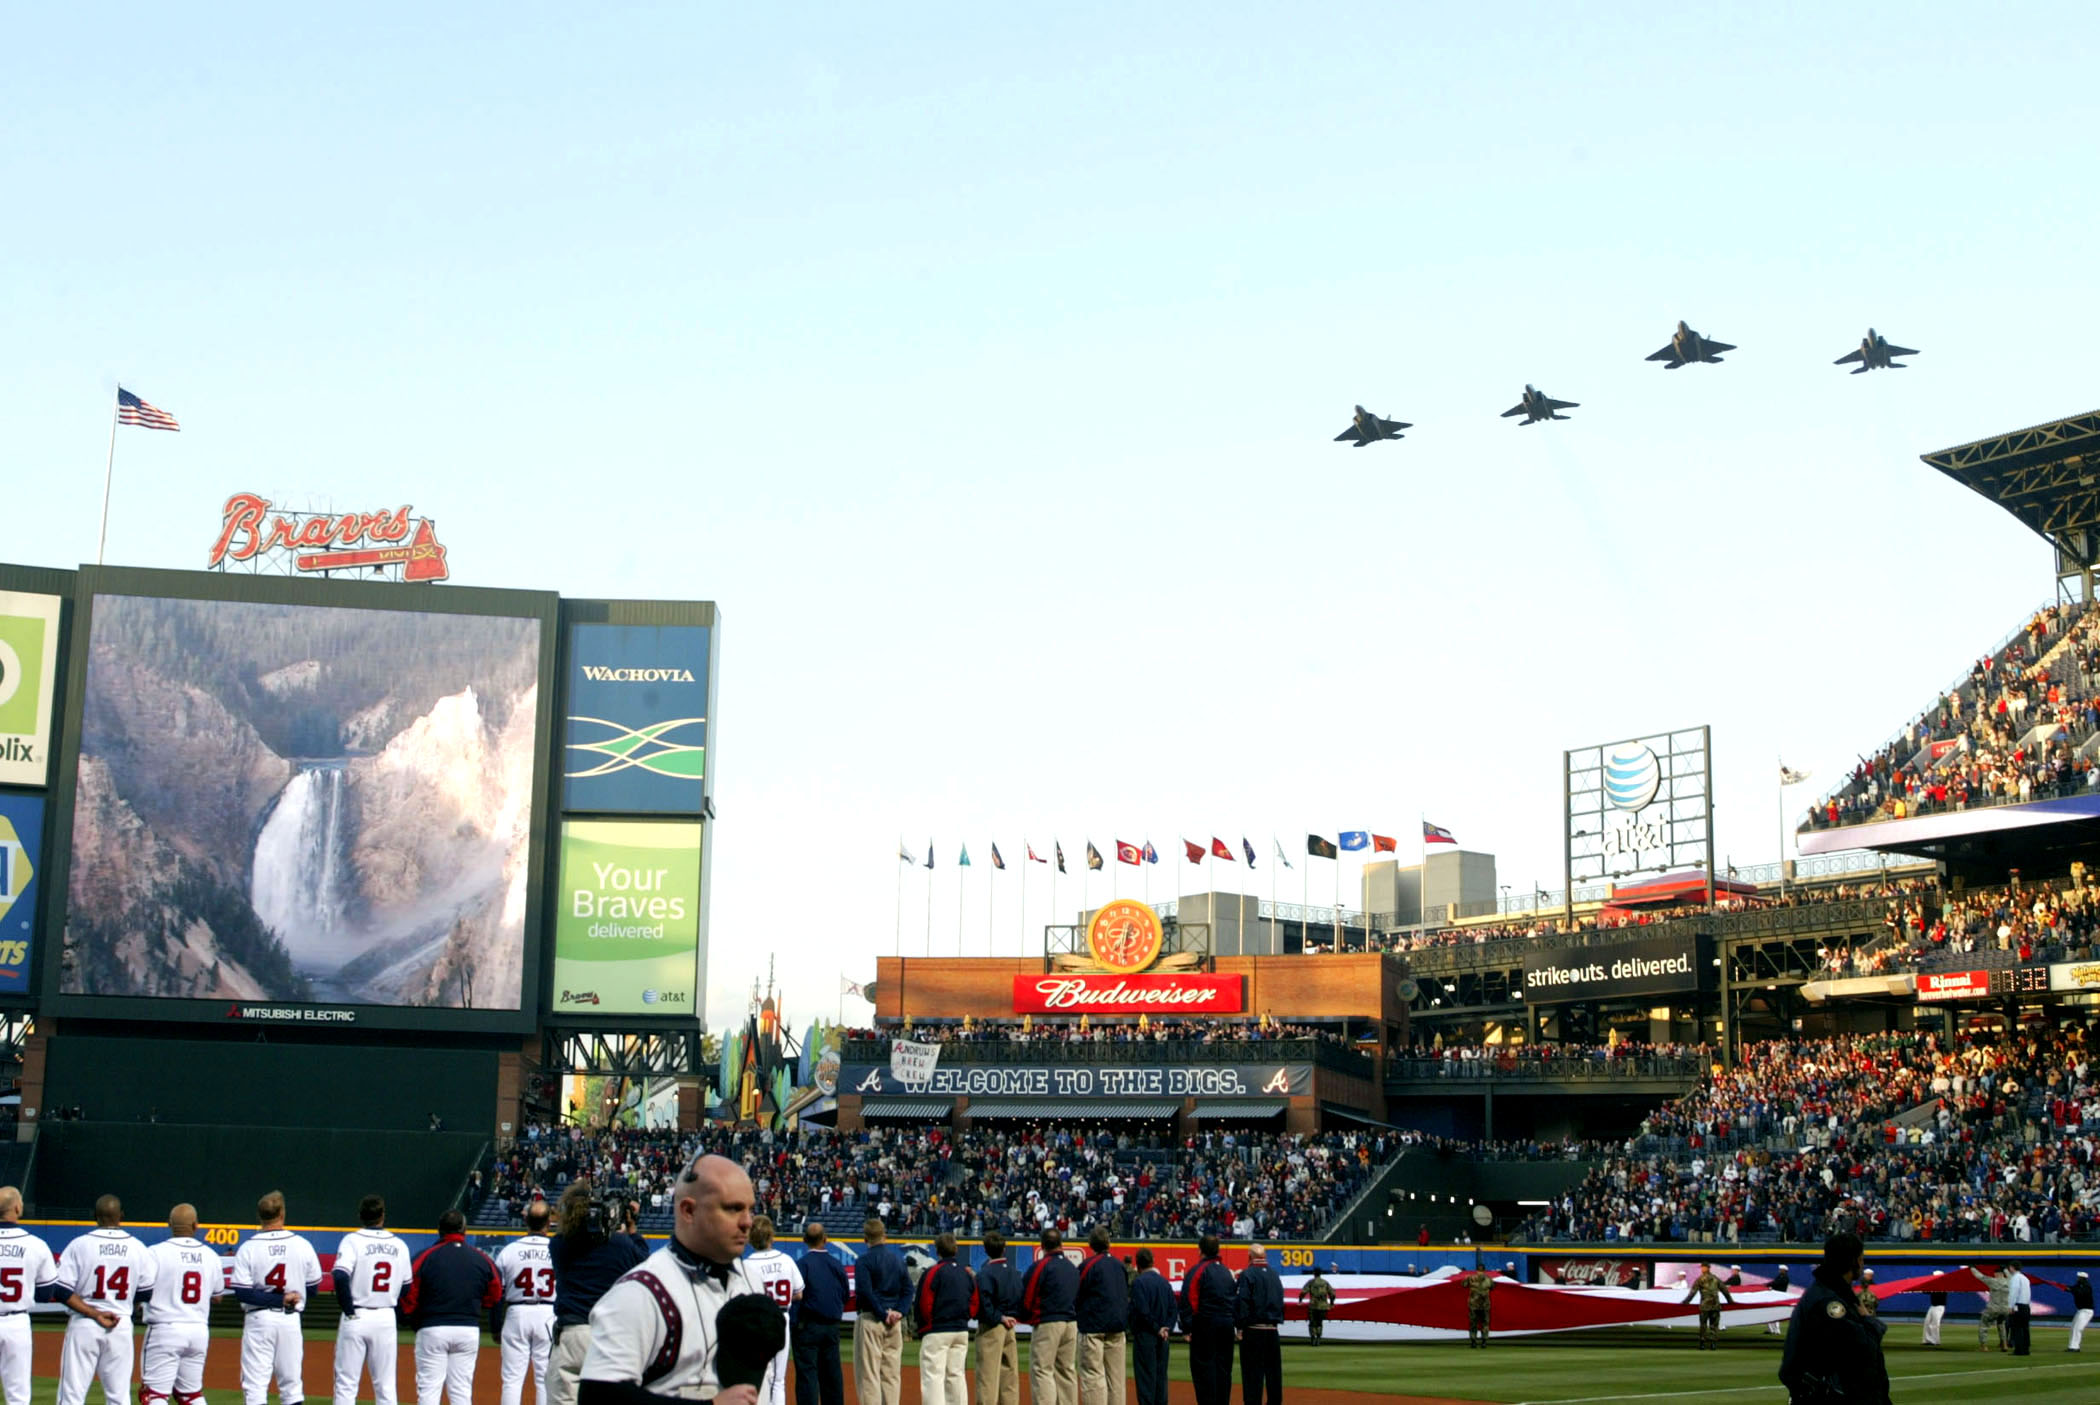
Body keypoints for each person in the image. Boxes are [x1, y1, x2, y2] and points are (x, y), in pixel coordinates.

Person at [577, 1153, 783, 1405]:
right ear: (688, 1210)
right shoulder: (640, 1292)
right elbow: (598, 1396)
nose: (747, 1222)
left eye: (750, 1209)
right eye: (733, 1208)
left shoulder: (752, 1280)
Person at [549, 1182, 649, 1405]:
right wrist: (632, 1228)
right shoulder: (621, 1244)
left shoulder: (559, 1245)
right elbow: (644, 1263)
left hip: (572, 1333)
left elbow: (568, 1234)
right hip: (611, 1337)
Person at [55, 1194, 155, 1405]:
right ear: (121, 1216)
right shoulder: (138, 1248)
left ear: (95, 1216)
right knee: (118, 1396)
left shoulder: (79, 1245)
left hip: (84, 1323)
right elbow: (146, 1293)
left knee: (71, 1395)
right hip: (120, 1325)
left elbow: (62, 1291)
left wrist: (94, 1313)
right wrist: (126, 1305)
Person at [230, 1191, 323, 1405]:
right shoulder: (302, 1245)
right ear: (282, 1213)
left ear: (260, 1215)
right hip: (290, 1319)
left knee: (255, 1387)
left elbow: (242, 1293)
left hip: (258, 1320)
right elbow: (314, 1288)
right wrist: (286, 1299)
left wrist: (274, 1299)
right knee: (291, 1387)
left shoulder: (248, 1248)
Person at [403, 1209, 502, 1405]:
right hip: (467, 1329)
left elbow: (409, 1292)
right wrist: (481, 1305)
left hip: (433, 1327)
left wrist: (410, 1319)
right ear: (464, 1229)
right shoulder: (481, 1258)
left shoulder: (425, 1256)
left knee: (429, 1390)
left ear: (439, 1230)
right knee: (461, 1392)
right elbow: (496, 1293)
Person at [1777, 1233, 1888, 1405]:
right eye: (1861, 1258)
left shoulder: (1831, 1293)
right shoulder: (1829, 1302)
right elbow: (1864, 1347)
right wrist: (1870, 1321)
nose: (1862, 1263)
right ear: (1855, 1261)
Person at [141, 1204, 228, 1405]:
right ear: (196, 1225)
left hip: (165, 1328)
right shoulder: (211, 1256)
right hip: (198, 1330)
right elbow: (217, 1297)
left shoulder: (155, 1253)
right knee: (191, 1395)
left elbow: (142, 1290)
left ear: (169, 1224)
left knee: (154, 1395)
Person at [332, 1194, 413, 1405]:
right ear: (382, 1216)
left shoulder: (352, 1240)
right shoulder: (399, 1245)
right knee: (385, 1386)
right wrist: (391, 1304)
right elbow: (406, 1286)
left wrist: (348, 1309)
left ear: (360, 1216)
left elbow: (340, 1275)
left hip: (357, 1314)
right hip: (385, 1316)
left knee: (346, 1384)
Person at [494, 1201, 557, 1405]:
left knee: (512, 1379)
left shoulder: (509, 1251)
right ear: (549, 1222)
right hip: (548, 1314)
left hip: (517, 1312)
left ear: (525, 1221)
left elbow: (497, 1292)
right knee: (544, 1378)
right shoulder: (557, 1250)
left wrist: (496, 1324)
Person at [0, 1186, 58, 1405]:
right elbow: (46, 1293)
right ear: (16, 1207)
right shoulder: (36, 1245)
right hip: (17, 1323)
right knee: (18, 1396)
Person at [741, 1217, 803, 1405]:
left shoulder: (746, 1264)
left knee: (757, 1376)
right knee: (778, 1380)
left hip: (755, 1322)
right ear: (771, 1236)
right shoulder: (786, 1260)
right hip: (780, 1318)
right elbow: (799, 1294)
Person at [913, 1233, 976, 1405]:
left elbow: (924, 1303)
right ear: (956, 1249)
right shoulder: (966, 1273)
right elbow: (974, 1301)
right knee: (956, 1375)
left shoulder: (933, 1272)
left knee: (933, 1376)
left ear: (937, 1250)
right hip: (961, 1330)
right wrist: (964, 1317)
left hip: (938, 1329)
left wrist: (926, 1325)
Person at [851, 1218, 909, 1405]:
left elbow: (865, 1292)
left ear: (865, 1238)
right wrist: (899, 1312)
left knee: (869, 1375)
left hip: (871, 1319)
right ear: (884, 1236)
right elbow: (909, 1289)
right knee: (891, 1375)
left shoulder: (864, 1260)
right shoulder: (897, 1260)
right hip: (894, 1322)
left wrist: (883, 1314)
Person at [791, 1223, 849, 1405]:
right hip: (831, 1326)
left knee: (807, 1376)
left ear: (804, 1240)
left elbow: (797, 1298)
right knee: (832, 1377)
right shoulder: (837, 1264)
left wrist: (793, 1325)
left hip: (808, 1326)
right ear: (826, 1239)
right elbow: (846, 1294)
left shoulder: (802, 1264)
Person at [1177, 1235, 1237, 1405]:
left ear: (1200, 1250)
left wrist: (1187, 1327)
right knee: (1224, 1371)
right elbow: (1234, 1300)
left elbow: (1188, 1299)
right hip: (1226, 1324)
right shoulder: (1227, 1272)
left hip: (1205, 1324)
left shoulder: (1197, 1271)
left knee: (1204, 1371)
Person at [1022, 1230, 1079, 1405]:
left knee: (1042, 1370)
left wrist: (1024, 1316)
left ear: (1042, 1245)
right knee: (1067, 1370)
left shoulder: (1041, 1265)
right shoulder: (1072, 1267)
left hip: (1049, 1322)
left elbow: (1027, 1296)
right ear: (1061, 1244)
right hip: (1071, 1322)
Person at [1076, 1227, 1127, 1405]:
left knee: (1093, 1376)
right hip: (1118, 1327)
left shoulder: (1087, 1265)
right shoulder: (1119, 1265)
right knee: (1117, 1379)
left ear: (1090, 1245)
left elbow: (1077, 1294)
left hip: (1093, 1328)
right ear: (1109, 1243)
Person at [974, 1232, 1023, 1405]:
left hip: (991, 1328)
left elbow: (985, 1306)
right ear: (1004, 1249)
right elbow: (1020, 1298)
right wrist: (1010, 1317)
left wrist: (1000, 1317)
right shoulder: (1015, 1272)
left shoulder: (984, 1274)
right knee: (1009, 1378)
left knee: (988, 1377)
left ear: (986, 1250)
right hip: (1010, 1328)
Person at [1235, 1244, 1284, 1405]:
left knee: (1252, 1375)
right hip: (1272, 1330)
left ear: (1249, 1257)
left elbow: (1243, 1302)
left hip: (1253, 1330)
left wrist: (1240, 1326)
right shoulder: (1274, 1275)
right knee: (1274, 1375)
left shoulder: (1247, 1274)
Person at [1127, 1249, 1175, 1405]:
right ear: (1153, 1262)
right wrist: (1166, 1328)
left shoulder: (1139, 1282)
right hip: (1163, 1338)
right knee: (1161, 1379)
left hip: (1146, 1335)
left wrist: (1157, 1328)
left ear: (1138, 1264)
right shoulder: (1164, 1282)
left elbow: (1142, 1311)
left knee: (1146, 1381)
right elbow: (1173, 1310)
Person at [1681, 1261, 1734, 1350]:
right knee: (1713, 1325)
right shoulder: (1716, 1278)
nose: (1702, 1269)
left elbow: (1693, 1292)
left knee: (1703, 1325)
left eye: (1702, 1267)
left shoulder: (1700, 1279)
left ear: (1706, 1268)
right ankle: (1713, 1344)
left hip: (1705, 1306)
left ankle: (1702, 1343)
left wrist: (1686, 1301)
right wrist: (1730, 1301)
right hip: (1715, 1305)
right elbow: (1724, 1290)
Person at [1462, 1260, 1494, 1350]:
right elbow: (1493, 1287)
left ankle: (1473, 1342)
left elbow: (1463, 1285)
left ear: (1476, 1270)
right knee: (1485, 1324)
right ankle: (1484, 1342)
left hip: (1473, 1305)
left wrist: (1465, 1278)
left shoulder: (1471, 1278)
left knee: (1473, 1324)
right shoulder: (1488, 1279)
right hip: (1485, 1305)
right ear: (1484, 1270)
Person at [1299, 1266, 1335, 1345]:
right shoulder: (1325, 1283)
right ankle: (1318, 1338)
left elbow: (1303, 1292)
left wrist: (1300, 1300)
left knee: (1312, 1323)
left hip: (1313, 1305)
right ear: (1321, 1273)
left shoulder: (1311, 1282)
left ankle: (1313, 1338)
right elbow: (1332, 1294)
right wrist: (1332, 1303)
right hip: (1323, 1306)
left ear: (1314, 1273)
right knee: (1319, 1323)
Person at [1980, 1267, 2011, 1351]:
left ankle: (1984, 1346)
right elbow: (2009, 1275)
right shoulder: (2009, 1281)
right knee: (2001, 1325)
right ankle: (2004, 1345)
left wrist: (1972, 1268)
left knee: (1984, 1325)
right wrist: (2005, 1269)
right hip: (2005, 1309)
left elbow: (1980, 1276)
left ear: (1997, 1273)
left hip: (1993, 1308)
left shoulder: (1992, 1281)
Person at [2007, 1265, 2032, 1357]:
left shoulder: (2015, 1278)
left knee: (2017, 1328)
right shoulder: (2025, 1278)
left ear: (2012, 1268)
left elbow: (2014, 1292)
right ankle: (2026, 1349)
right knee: (2025, 1328)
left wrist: (2010, 1306)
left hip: (2018, 1306)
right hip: (2026, 1305)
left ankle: (2019, 1350)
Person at [2068, 1270, 2092, 1353]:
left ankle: (2075, 1347)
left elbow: (2080, 1293)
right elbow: (2072, 1288)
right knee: (2073, 1328)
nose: (2077, 1279)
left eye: (2079, 1277)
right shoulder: (2079, 1285)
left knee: (2078, 1328)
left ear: (2083, 1278)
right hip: (2081, 1310)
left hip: (2086, 1311)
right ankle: (2072, 1346)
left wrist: (2071, 1290)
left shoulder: (2086, 1287)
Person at [1766, 1265, 1791, 1337]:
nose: (1779, 1270)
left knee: (1776, 1313)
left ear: (1784, 1270)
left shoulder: (1785, 1278)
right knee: (1772, 1313)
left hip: (1779, 1297)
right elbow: (1774, 1282)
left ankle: (1777, 1330)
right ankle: (1772, 1330)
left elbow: (1776, 1283)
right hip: (1776, 1296)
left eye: (1781, 1269)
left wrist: (1767, 1285)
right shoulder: (1780, 1276)